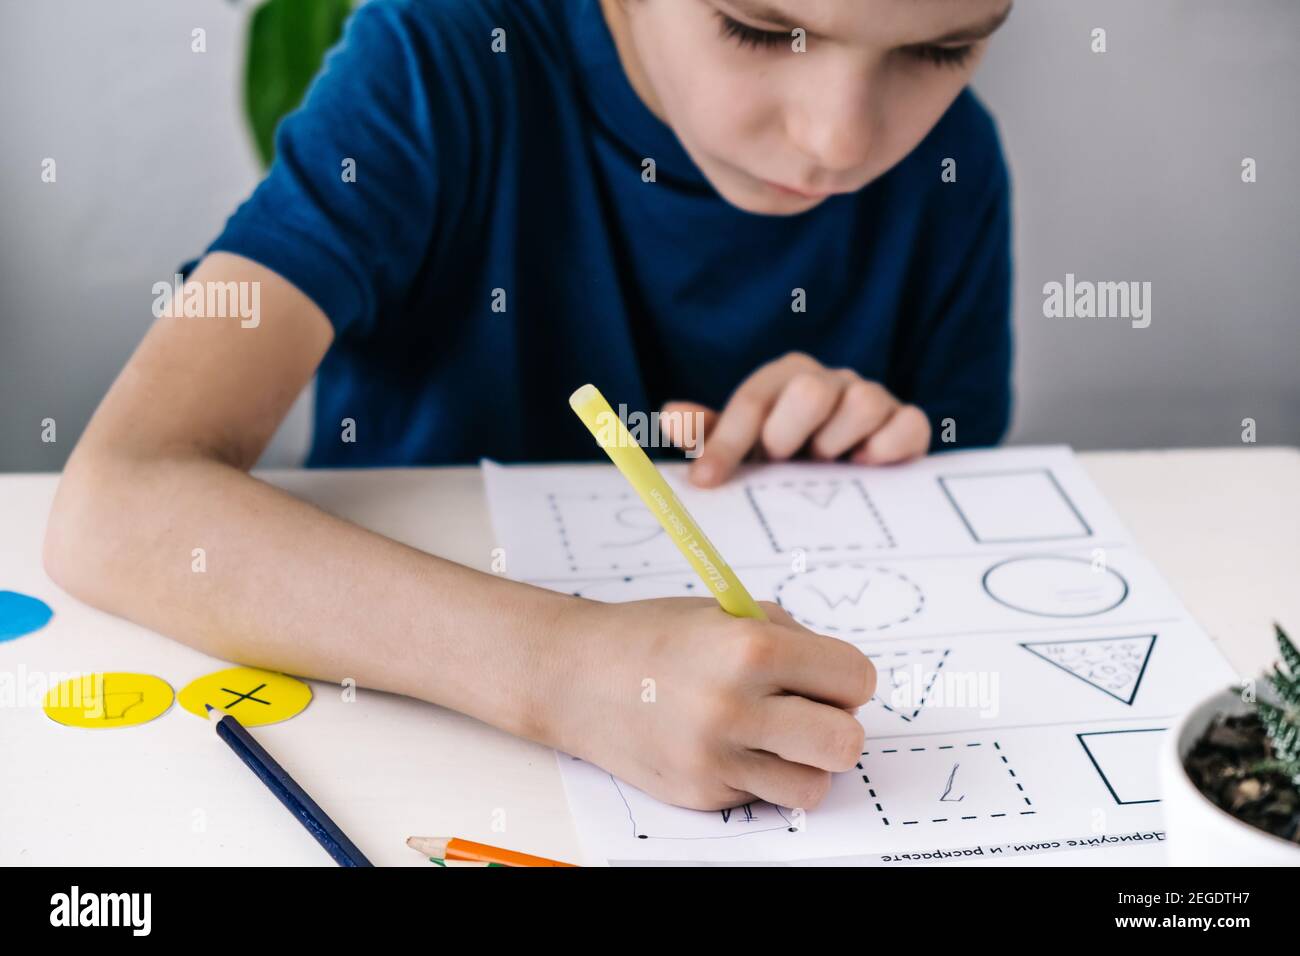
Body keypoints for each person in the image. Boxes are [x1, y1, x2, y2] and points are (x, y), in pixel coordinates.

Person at [45, 0, 1014, 812]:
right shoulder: (442, 58)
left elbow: (960, 478)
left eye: (943, 49)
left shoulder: (950, 159)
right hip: (414, 762)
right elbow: (119, 502)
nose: (838, 138)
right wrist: (574, 670)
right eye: (758, 29)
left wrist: (866, 434)